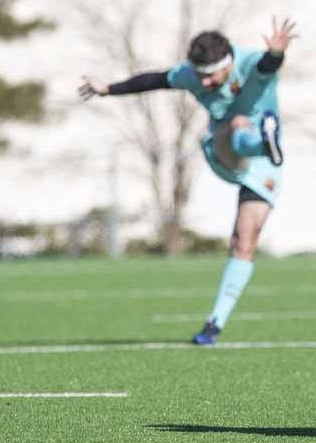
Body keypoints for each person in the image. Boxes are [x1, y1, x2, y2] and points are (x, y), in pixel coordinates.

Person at [79, 18, 297, 345]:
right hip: (224, 149)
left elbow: (268, 63)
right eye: (200, 75)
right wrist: (108, 89)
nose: (205, 83)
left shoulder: (251, 62)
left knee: (243, 240)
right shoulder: (191, 75)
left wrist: (278, 53)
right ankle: (261, 141)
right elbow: (153, 80)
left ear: (228, 64)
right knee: (238, 124)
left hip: (265, 166)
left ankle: (214, 325)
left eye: (211, 75)